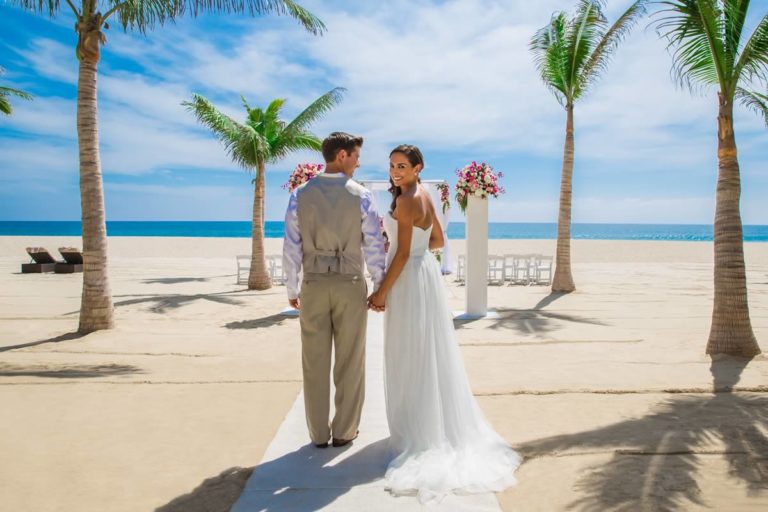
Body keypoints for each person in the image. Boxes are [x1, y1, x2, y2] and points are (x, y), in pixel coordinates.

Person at [367, 144, 520, 503]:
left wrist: (381, 293)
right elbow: (436, 240)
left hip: (407, 278)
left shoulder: (407, 200)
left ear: (418, 167)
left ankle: (417, 435)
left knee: (409, 353)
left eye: (402, 166)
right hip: (425, 276)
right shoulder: (422, 195)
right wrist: (410, 245)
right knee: (424, 352)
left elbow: (403, 253)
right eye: (391, 166)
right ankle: (425, 425)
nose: (395, 172)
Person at [283, 132, 386, 448]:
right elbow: (373, 244)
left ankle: (317, 433)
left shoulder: (301, 194)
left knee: (313, 362)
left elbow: (291, 245)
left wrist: (291, 286)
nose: (357, 163)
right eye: (356, 156)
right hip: (349, 283)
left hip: (313, 283)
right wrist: (379, 284)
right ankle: (344, 430)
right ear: (342, 155)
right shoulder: (361, 195)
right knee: (350, 359)